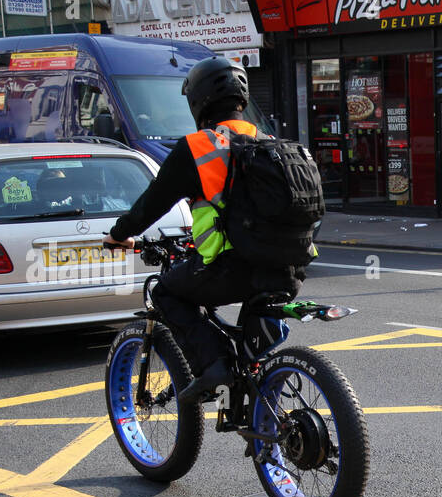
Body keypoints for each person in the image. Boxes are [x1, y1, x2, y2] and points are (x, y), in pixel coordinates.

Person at [103, 57, 307, 404]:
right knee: (251, 355)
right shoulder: (270, 141)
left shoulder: (198, 147)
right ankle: (263, 412)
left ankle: (213, 365)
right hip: (290, 269)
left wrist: (119, 234)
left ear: (197, 101)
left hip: (233, 269)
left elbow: (152, 204)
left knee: (165, 292)